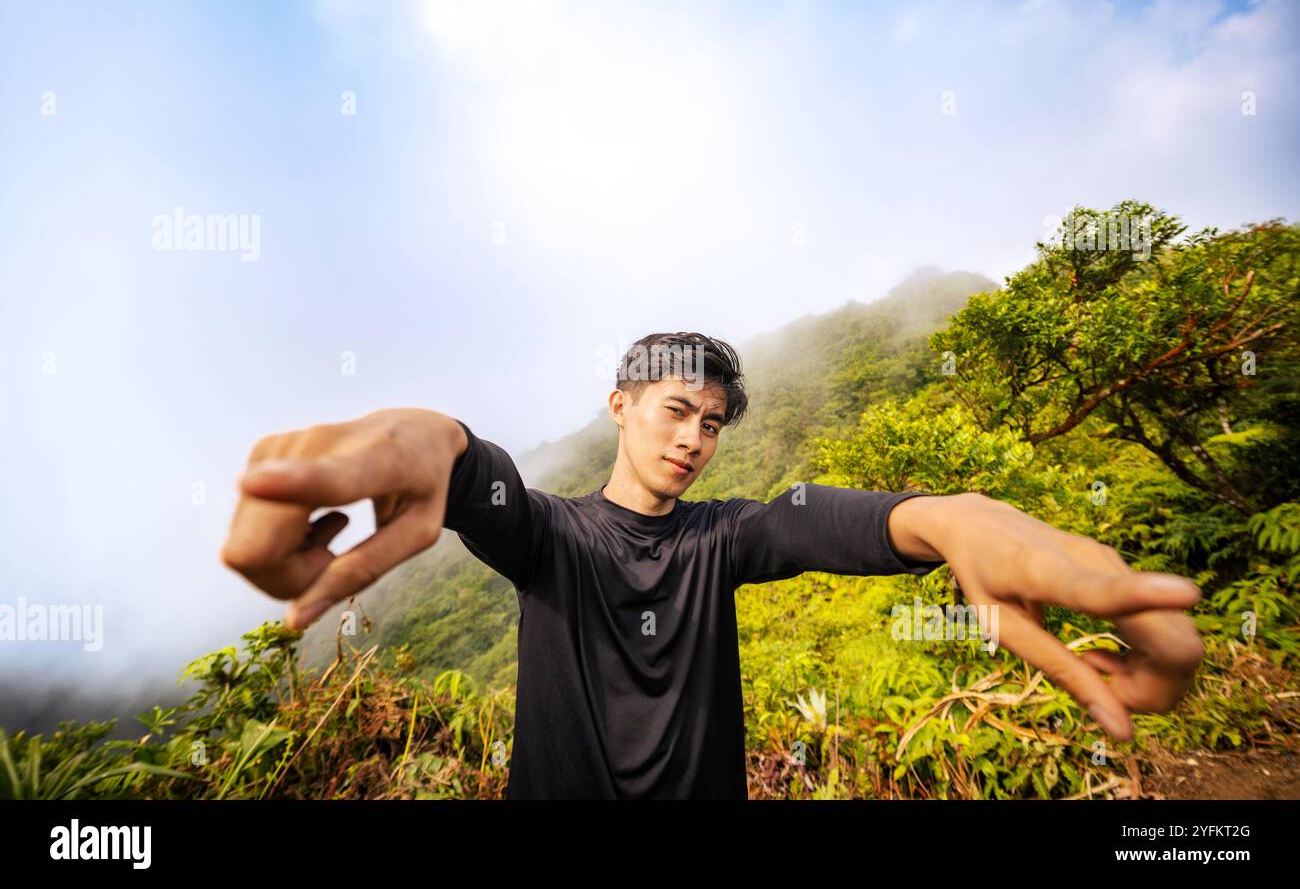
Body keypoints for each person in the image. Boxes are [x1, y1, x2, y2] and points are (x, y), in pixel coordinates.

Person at [220, 331, 1204, 798]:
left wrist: (964, 516)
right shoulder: (547, 534)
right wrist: (434, 437)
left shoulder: (726, 536)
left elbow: (845, 519)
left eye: (713, 422)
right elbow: (480, 474)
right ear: (619, 405)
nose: (694, 437)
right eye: (673, 411)